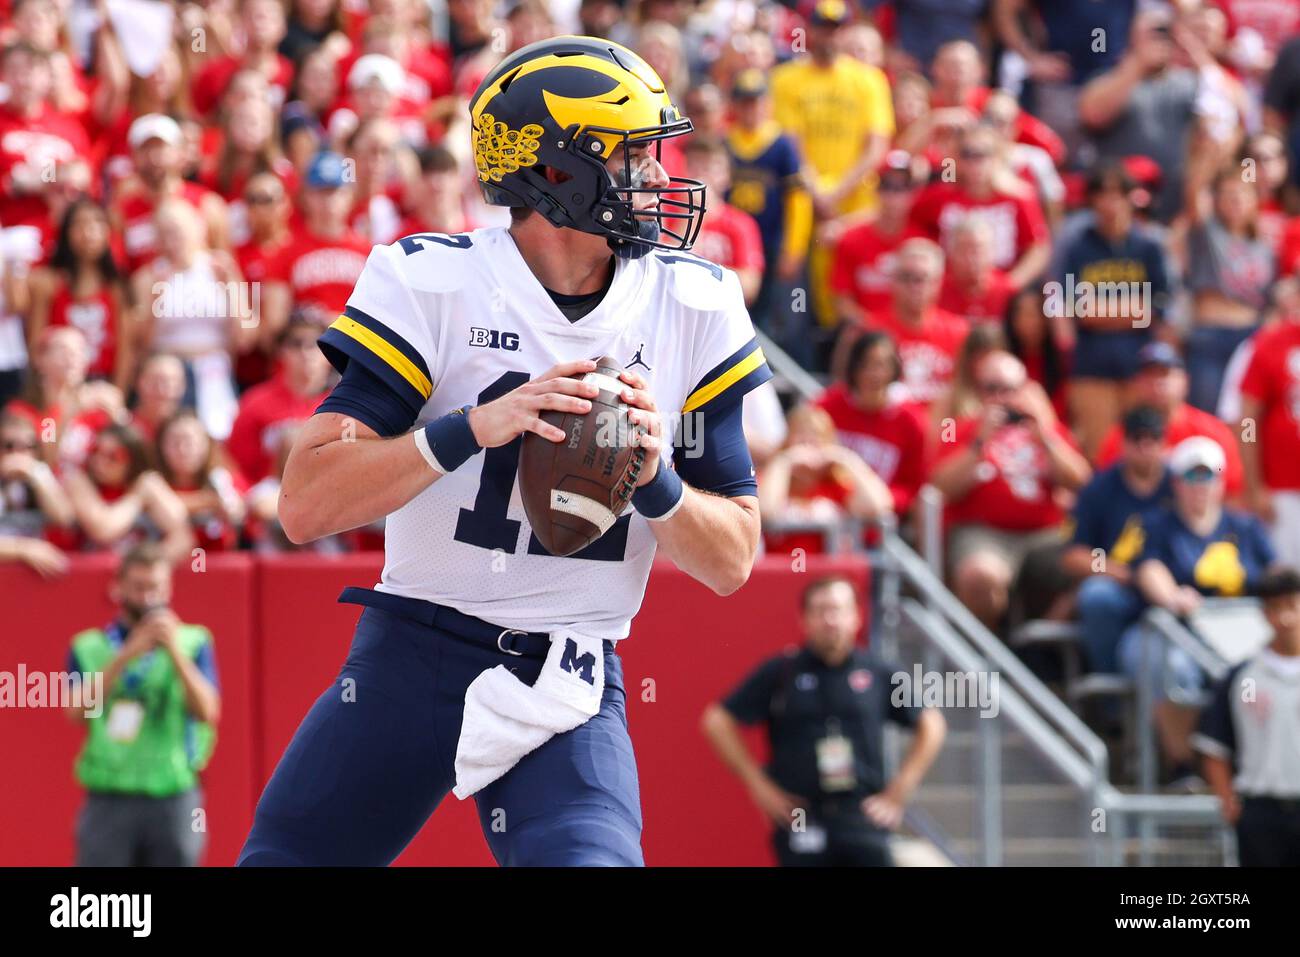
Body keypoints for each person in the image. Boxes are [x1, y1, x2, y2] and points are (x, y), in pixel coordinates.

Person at [239, 36, 773, 867]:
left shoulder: (689, 300)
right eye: (633, 158)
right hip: (412, 651)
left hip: (567, 673)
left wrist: (657, 480)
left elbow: (733, 559)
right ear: (557, 172)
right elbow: (306, 503)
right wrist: (472, 426)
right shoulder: (434, 282)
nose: (661, 178)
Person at [701, 575, 946, 867]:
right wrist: (759, 786)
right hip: (803, 816)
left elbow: (931, 724)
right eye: (820, 611)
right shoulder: (782, 671)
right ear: (803, 619)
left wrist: (900, 789)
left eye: (838, 610)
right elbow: (717, 720)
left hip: (862, 816)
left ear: (856, 616)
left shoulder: (879, 673)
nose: (830, 620)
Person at [1118, 437, 1277, 781]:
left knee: (1263, 672)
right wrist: (1173, 597)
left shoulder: (1246, 527)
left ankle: (1250, 764)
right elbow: (1149, 568)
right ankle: (1186, 766)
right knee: (1173, 670)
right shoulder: (1156, 525)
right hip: (1174, 630)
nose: (1201, 486)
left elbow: (1276, 577)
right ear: (1177, 483)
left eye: (1209, 476)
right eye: (1192, 477)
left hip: (1240, 631)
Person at [65, 543, 220, 866]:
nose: (148, 597)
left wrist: (175, 652)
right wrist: (126, 655)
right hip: (110, 796)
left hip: (173, 794)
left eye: (156, 587)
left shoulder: (194, 642)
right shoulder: (89, 646)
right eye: (138, 587)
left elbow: (208, 711)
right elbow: (76, 712)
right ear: (118, 587)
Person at [930, 349, 1091, 630]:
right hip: (984, 535)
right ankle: (986, 657)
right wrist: (980, 443)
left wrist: (1046, 438)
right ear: (978, 391)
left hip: (1045, 536)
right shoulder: (956, 428)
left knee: (1098, 568)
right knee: (979, 576)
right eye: (991, 389)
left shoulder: (1047, 427)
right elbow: (941, 487)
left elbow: (1082, 482)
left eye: (1010, 389)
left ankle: (1036, 652)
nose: (1002, 397)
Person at [1056, 162, 1170, 459]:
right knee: (1098, 455)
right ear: (1092, 201)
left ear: (1132, 199)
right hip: (1091, 368)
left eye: (1119, 195)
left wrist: (1101, 312)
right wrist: (1133, 311)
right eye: (1103, 195)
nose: (1111, 204)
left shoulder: (1149, 248)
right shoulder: (1078, 248)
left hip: (1141, 369)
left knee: (1145, 451)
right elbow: (1077, 309)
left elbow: (1158, 307)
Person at [1193, 565, 1300, 867]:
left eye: (1292, 605)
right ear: (1264, 613)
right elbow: (1214, 746)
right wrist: (1229, 803)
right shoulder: (1243, 677)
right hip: (1261, 808)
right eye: (1275, 608)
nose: (1286, 617)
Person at [1064, 406, 1173, 676]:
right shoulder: (1100, 489)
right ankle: (1111, 692)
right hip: (1121, 585)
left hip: (1175, 583)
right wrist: (1119, 572)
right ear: (1124, 442)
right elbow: (1075, 555)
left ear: (1164, 442)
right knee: (1096, 595)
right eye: (1138, 438)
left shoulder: (1179, 486)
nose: (1146, 446)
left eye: (1154, 438)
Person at [1094, 342, 1245, 496]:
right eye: (1149, 376)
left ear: (1185, 381)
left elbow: (1232, 490)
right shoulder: (1124, 437)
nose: (1157, 383)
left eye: (1165, 374)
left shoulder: (1212, 433)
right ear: (1137, 384)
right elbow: (1105, 493)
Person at [814, 331, 928, 519]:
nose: (874, 375)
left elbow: (913, 484)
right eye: (866, 365)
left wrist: (885, 499)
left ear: (894, 369)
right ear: (854, 367)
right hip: (828, 511)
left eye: (882, 365)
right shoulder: (827, 406)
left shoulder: (910, 421)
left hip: (880, 519)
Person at [758, 404, 893, 555]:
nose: (808, 448)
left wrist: (847, 459)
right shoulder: (773, 480)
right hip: (782, 571)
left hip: (829, 572)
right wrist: (784, 461)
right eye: (801, 440)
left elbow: (876, 508)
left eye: (816, 440)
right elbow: (765, 511)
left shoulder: (838, 485)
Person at [225, 318, 332, 487]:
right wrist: (252, 498)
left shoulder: (342, 405)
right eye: (296, 344)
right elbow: (235, 465)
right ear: (281, 351)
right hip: (269, 499)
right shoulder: (256, 402)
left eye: (315, 344)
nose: (306, 353)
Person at [1238, 293, 1300, 566]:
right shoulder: (1271, 343)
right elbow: (1248, 421)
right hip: (1282, 489)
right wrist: (1255, 486)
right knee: (1287, 579)